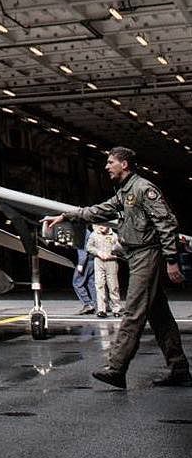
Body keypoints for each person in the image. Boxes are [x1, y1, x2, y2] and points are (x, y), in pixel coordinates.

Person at [44, 146, 189, 389]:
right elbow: (99, 210)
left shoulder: (143, 188)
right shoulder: (124, 192)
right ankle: (179, 368)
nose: (106, 166)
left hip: (147, 254)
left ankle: (116, 367)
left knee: (132, 312)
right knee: (160, 316)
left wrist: (172, 261)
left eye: (111, 162)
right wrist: (67, 216)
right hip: (135, 255)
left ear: (125, 164)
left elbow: (167, 224)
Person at [87, 223, 124, 318]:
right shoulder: (94, 235)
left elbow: (121, 250)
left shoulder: (114, 236)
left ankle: (116, 308)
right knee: (99, 285)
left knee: (113, 286)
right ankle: (101, 309)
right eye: (99, 224)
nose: (101, 226)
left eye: (103, 224)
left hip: (111, 262)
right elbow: (89, 247)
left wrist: (113, 254)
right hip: (99, 261)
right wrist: (98, 252)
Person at [72, 226, 97, 315]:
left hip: (86, 261)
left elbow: (83, 250)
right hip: (92, 260)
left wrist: (81, 264)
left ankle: (88, 304)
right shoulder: (87, 231)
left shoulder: (81, 232)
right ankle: (96, 305)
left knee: (77, 283)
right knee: (91, 283)